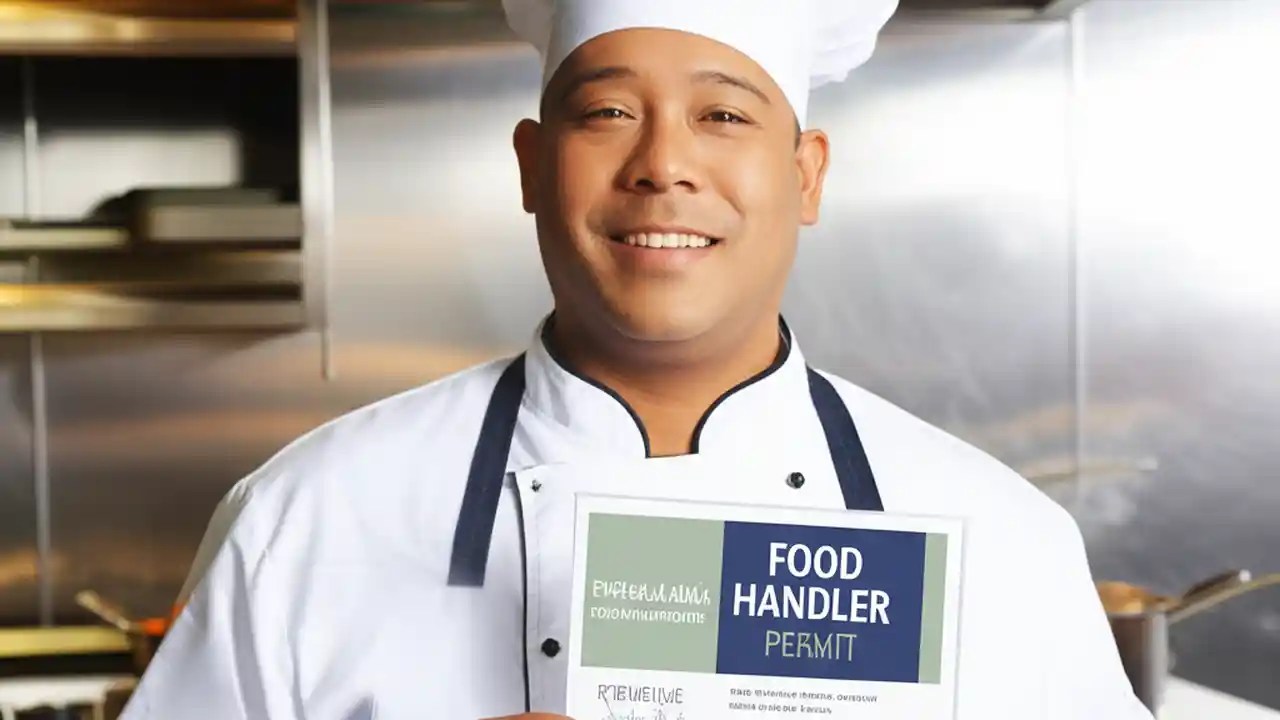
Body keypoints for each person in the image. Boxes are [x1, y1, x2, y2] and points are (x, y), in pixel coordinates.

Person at [120, 0, 1153, 718]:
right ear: (530, 166)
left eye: (722, 115)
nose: (662, 165)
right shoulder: (305, 518)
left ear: (805, 175)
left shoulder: (1003, 543)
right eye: (608, 111)